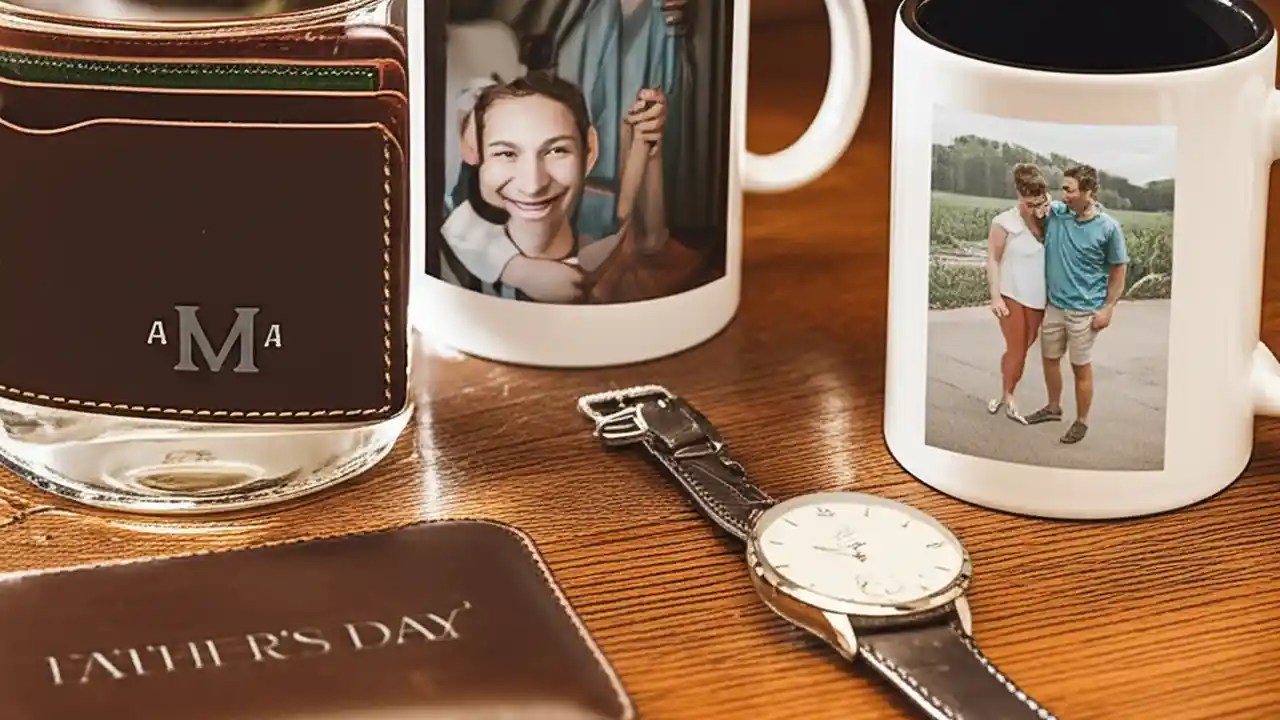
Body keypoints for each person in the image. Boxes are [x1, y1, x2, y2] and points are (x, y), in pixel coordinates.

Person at [440, 70, 676, 303]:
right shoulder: (459, 234)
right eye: (506, 153)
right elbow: (459, 231)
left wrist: (643, 146)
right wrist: (520, 271)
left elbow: (642, 233)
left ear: (590, 151)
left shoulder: (599, 228)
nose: (533, 186)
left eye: (556, 150)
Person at [1024, 164, 1129, 444]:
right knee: (1049, 359)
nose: (1064, 194)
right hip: (1055, 306)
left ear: (1088, 192)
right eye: (1063, 188)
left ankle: (1081, 422)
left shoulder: (1108, 228)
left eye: (1069, 189)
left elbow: (1119, 269)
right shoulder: (1058, 214)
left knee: (1080, 367)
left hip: (1085, 311)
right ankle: (1053, 407)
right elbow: (1032, 209)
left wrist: (1108, 308)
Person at [985, 164, 1049, 424]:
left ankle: (1003, 390)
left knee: (1024, 345)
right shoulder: (1004, 222)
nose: (1035, 209)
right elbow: (992, 259)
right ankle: (1010, 397)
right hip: (1011, 292)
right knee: (1017, 348)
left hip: (1039, 295)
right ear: (1019, 197)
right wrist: (995, 296)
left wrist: (1046, 212)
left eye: (1040, 202)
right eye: (1030, 204)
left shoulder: (1050, 216)